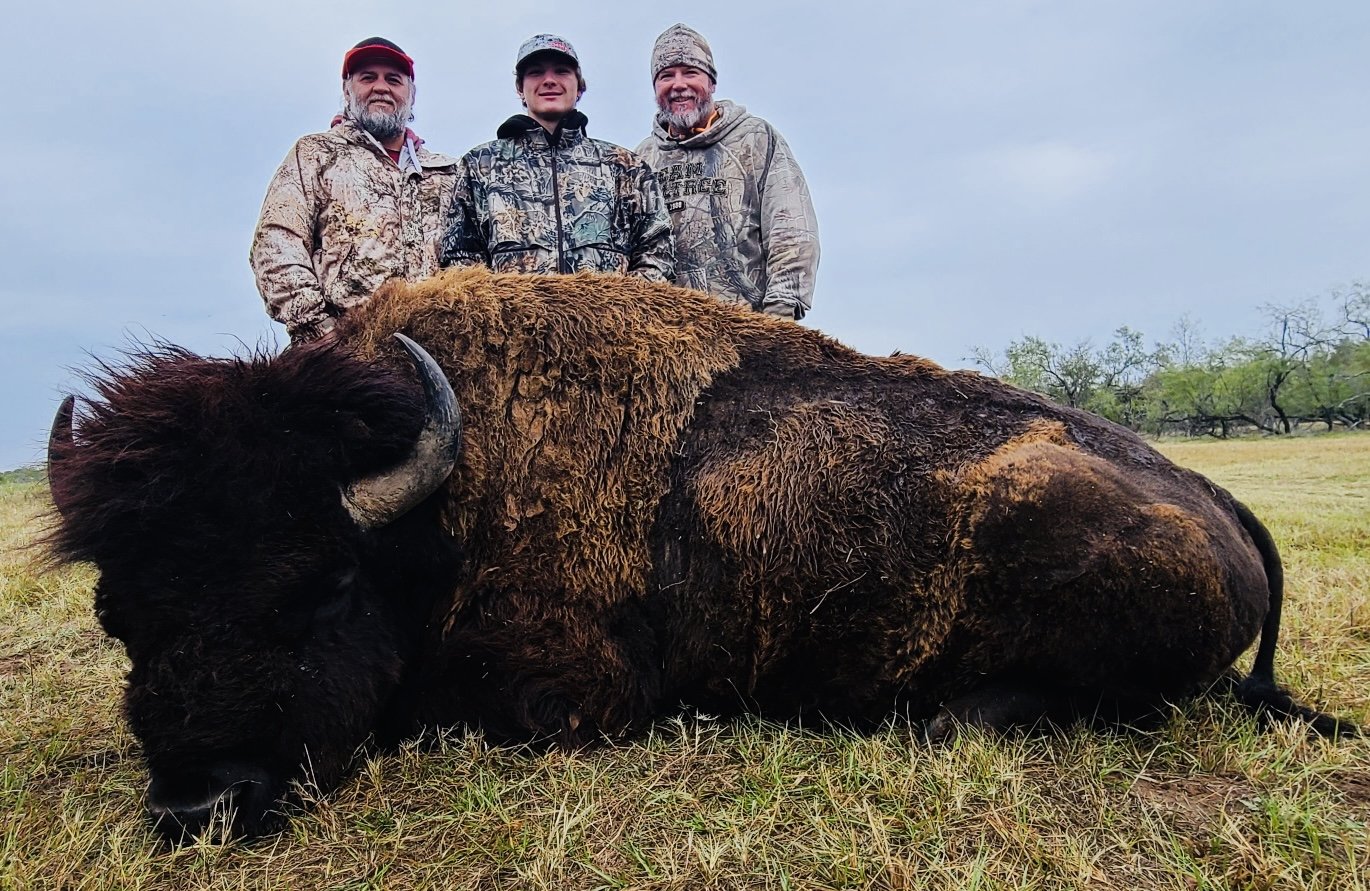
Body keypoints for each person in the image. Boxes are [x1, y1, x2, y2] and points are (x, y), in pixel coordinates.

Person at [250, 37, 459, 343]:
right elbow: (276, 242)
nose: (381, 87)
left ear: (411, 94)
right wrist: (320, 331)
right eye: (367, 78)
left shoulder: (447, 172)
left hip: (436, 350)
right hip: (341, 351)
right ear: (347, 91)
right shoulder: (315, 154)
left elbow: (470, 260)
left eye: (393, 80)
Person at [440, 35, 674, 281]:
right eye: (536, 72)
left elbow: (657, 254)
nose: (549, 80)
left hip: (609, 308)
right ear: (520, 88)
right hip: (511, 308)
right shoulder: (480, 165)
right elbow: (459, 262)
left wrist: (617, 303)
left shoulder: (625, 167)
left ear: (579, 87)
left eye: (562, 71)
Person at [636, 24, 820, 320]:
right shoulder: (642, 159)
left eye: (690, 72)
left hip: (747, 327)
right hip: (665, 333)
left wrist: (780, 313)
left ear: (711, 82)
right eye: (666, 76)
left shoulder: (756, 139)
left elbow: (791, 231)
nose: (678, 84)